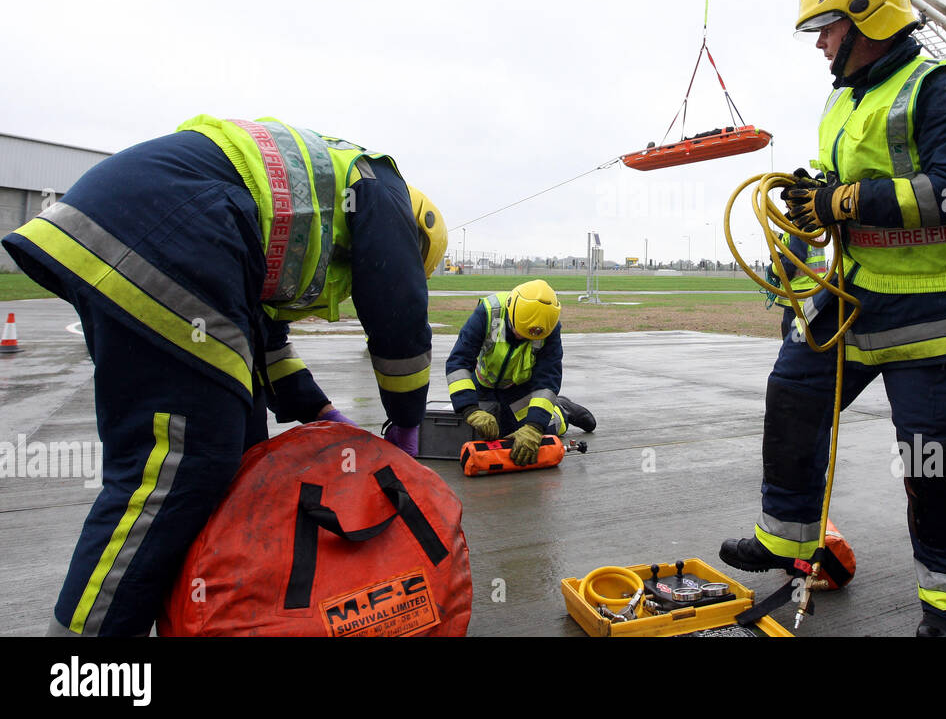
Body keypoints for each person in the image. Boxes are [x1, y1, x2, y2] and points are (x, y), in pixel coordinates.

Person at [2, 115, 446, 636]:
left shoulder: (303, 214)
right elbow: (400, 318)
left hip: (134, 226)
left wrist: (320, 410)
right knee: (183, 463)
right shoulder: (383, 189)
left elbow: (262, 342)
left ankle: (213, 619)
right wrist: (405, 420)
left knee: (238, 451)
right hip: (167, 230)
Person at [718, 0, 946, 637]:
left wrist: (841, 200)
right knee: (791, 396)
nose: (818, 44)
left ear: (866, 19)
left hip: (932, 307)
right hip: (856, 292)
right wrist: (815, 201)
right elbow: (849, 192)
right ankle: (788, 540)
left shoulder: (941, 89)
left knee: (937, 462)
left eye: (826, 27)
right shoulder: (845, 100)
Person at [445, 280, 596, 466]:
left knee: (535, 435)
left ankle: (561, 410)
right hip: (483, 387)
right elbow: (458, 362)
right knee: (482, 435)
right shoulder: (488, 313)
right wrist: (470, 409)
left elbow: (547, 380)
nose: (522, 338)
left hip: (520, 390)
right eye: (520, 332)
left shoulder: (549, 328)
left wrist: (534, 427)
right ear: (510, 311)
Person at [763, 230, 828, 338]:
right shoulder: (814, 227)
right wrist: (780, 237)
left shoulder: (798, 227)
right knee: (807, 341)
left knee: (796, 344)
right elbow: (799, 244)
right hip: (814, 295)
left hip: (798, 301)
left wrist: (772, 270)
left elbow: (793, 260)